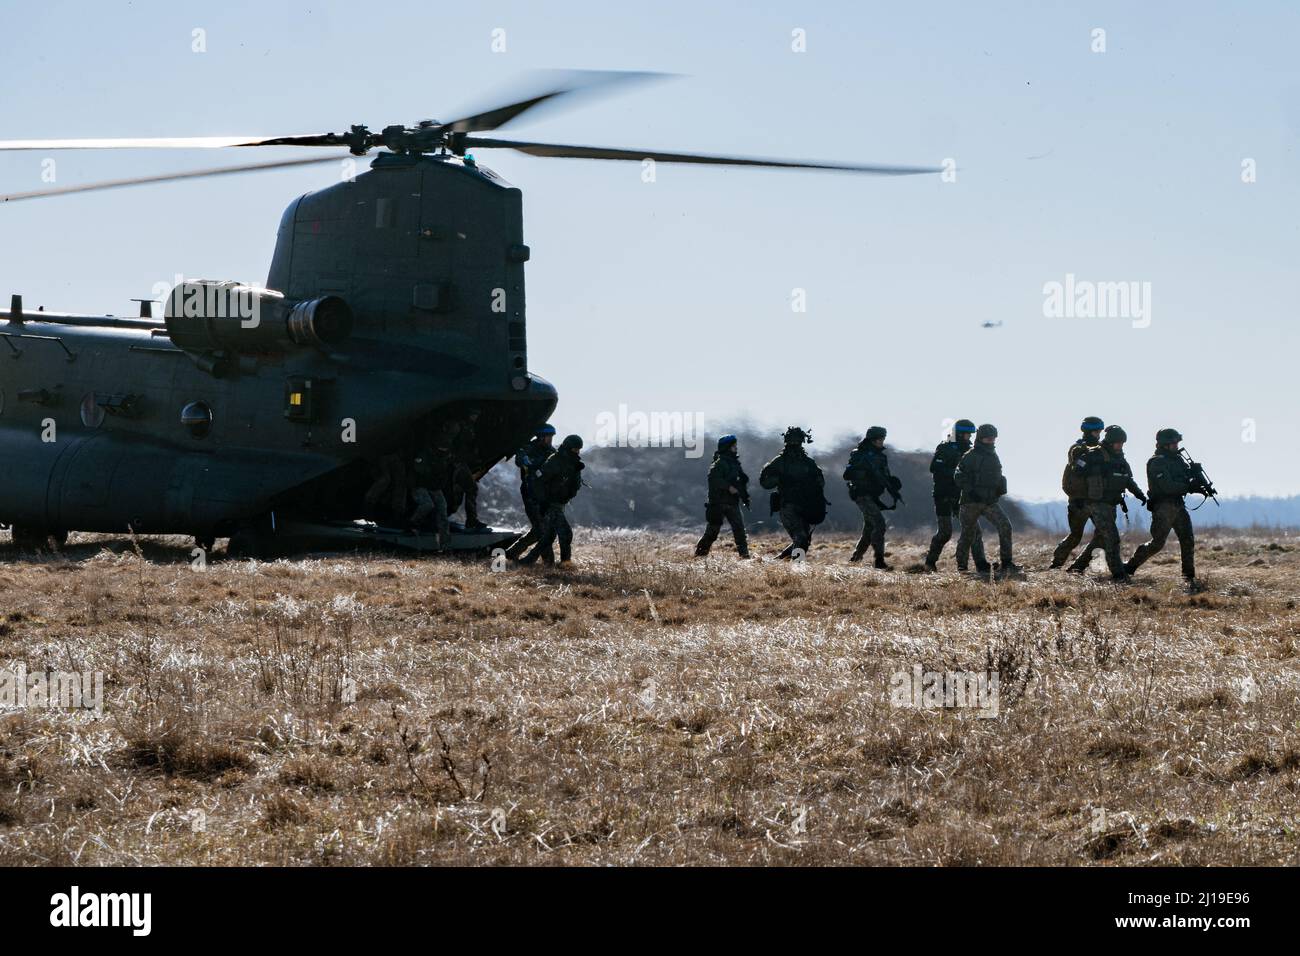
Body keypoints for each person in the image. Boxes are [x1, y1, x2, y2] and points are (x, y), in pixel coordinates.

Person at [1124, 428, 1203, 589]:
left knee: (1188, 540)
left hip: (1178, 505)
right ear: (1164, 444)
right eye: (1173, 443)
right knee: (1157, 543)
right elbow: (1167, 486)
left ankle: (1188, 576)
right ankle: (1129, 567)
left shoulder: (1178, 460)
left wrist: (1194, 476)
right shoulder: (1157, 462)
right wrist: (1189, 486)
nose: (1176, 445)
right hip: (1163, 507)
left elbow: (1183, 479)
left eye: (1177, 442)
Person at [1067, 425, 1147, 580]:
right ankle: (1118, 574)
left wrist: (1139, 494)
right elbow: (1076, 470)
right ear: (1110, 442)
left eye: (1122, 443)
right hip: (1096, 503)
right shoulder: (1095, 455)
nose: (1120, 446)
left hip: (1111, 504)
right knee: (1112, 537)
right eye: (1117, 442)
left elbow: (1128, 480)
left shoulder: (1120, 459)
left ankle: (1076, 568)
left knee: (1101, 539)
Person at [953, 423, 1021, 578]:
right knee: (968, 534)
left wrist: (999, 488)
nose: (991, 441)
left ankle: (1007, 563)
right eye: (988, 438)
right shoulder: (971, 455)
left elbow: (996, 476)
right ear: (980, 438)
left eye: (993, 438)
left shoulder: (993, 455)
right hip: (970, 502)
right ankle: (962, 568)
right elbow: (958, 476)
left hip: (989, 502)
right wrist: (971, 491)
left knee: (1005, 526)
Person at [923, 419, 984, 572]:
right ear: (959, 434)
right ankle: (929, 563)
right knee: (945, 533)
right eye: (966, 435)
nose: (969, 438)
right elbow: (934, 468)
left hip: (961, 497)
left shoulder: (970, 451)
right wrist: (957, 474)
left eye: (970, 435)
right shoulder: (945, 448)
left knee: (975, 531)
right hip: (943, 495)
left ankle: (981, 565)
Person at [759, 426, 826, 559]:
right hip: (788, 505)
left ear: (802, 442)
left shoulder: (808, 462)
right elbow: (765, 482)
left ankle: (777, 562)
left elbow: (821, 483)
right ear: (786, 442)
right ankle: (797, 569)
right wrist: (780, 479)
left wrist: (810, 484)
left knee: (804, 540)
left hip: (806, 505)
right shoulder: (780, 461)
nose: (794, 444)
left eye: (797, 442)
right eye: (791, 442)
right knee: (800, 537)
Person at [519, 434, 585, 566]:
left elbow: (574, 486)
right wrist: (543, 502)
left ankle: (528, 560)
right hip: (550, 503)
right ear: (568, 448)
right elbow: (540, 481)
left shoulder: (574, 463)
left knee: (548, 536)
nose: (577, 452)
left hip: (560, 503)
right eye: (574, 449)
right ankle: (566, 563)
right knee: (565, 532)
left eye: (578, 449)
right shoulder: (555, 460)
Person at [1051, 416, 1106, 569]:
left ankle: (1079, 566)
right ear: (1088, 431)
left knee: (1103, 534)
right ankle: (1056, 564)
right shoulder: (1077, 449)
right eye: (1096, 432)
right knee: (1075, 537)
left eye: (1099, 431)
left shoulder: (1101, 449)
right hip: (1079, 501)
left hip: (1096, 500)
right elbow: (1078, 469)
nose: (1098, 434)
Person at [843, 425, 900, 568]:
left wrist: (892, 484)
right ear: (873, 440)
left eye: (883, 439)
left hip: (873, 495)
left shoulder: (881, 456)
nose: (882, 442)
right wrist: (863, 472)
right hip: (861, 494)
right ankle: (879, 561)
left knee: (869, 528)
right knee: (879, 523)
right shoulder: (859, 454)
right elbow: (847, 474)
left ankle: (855, 559)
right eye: (880, 439)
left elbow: (885, 476)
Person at [694, 434, 751, 558]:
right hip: (718, 504)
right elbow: (713, 480)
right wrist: (728, 487)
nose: (736, 448)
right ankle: (699, 556)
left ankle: (745, 557)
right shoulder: (719, 463)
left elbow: (740, 480)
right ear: (727, 447)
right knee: (712, 532)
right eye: (733, 446)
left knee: (740, 531)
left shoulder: (735, 463)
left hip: (732, 503)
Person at [506, 423, 555, 560]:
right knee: (542, 529)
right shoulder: (527, 448)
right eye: (548, 437)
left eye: (551, 437)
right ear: (540, 437)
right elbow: (521, 461)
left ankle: (511, 553)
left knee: (539, 530)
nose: (550, 440)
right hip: (530, 492)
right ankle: (548, 563)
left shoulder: (551, 451)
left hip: (545, 494)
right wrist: (537, 464)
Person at [408, 436, 453, 550]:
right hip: (420, 486)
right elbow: (419, 470)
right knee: (427, 504)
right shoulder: (424, 455)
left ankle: (445, 545)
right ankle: (413, 524)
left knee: (443, 512)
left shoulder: (445, 457)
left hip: (435, 487)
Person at [451, 407, 488, 532]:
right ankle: (471, 520)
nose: (475, 417)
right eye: (473, 414)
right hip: (455, 462)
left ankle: (471, 520)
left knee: (468, 489)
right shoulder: (459, 426)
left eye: (477, 414)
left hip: (461, 462)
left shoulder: (470, 427)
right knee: (465, 489)